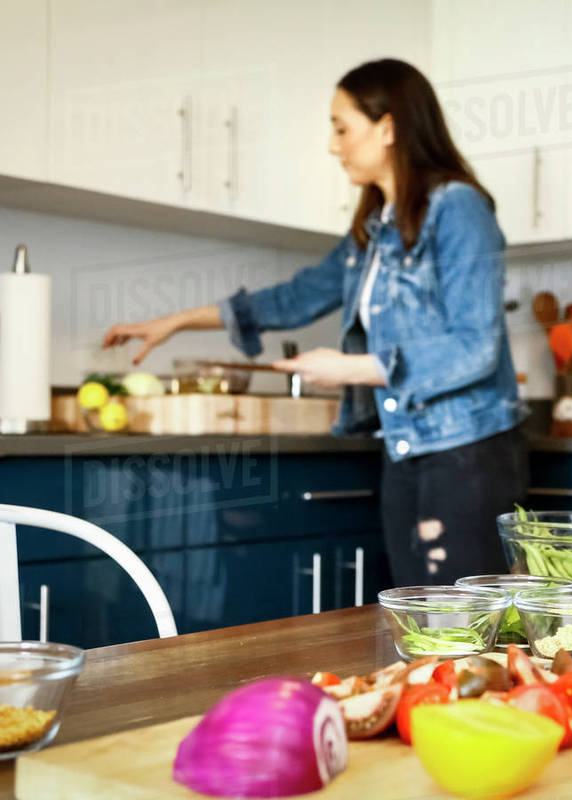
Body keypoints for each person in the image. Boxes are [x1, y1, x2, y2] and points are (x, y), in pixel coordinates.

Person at [103, 59, 528, 586]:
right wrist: (176, 322)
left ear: (389, 128)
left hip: (467, 455)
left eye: (342, 128)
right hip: (406, 449)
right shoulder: (373, 232)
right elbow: (296, 297)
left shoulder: (458, 210)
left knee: (466, 627)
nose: (333, 145)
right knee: (422, 622)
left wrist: (353, 369)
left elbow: (474, 348)